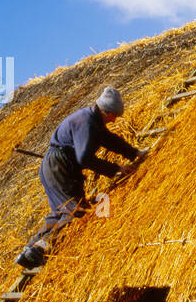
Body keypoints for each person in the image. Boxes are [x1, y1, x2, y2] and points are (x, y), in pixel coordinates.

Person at [15, 86, 147, 267]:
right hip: (60, 166)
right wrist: (115, 169)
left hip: (52, 165)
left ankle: (30, 251)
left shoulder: (93, 120)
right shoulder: (87, 123)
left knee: (60, 212)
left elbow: (110, 140)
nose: (115, 119)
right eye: (113, 115)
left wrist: (135, 153)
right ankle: (38, 249)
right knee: (76, 210)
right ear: (105, 111)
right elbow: (84, 158)